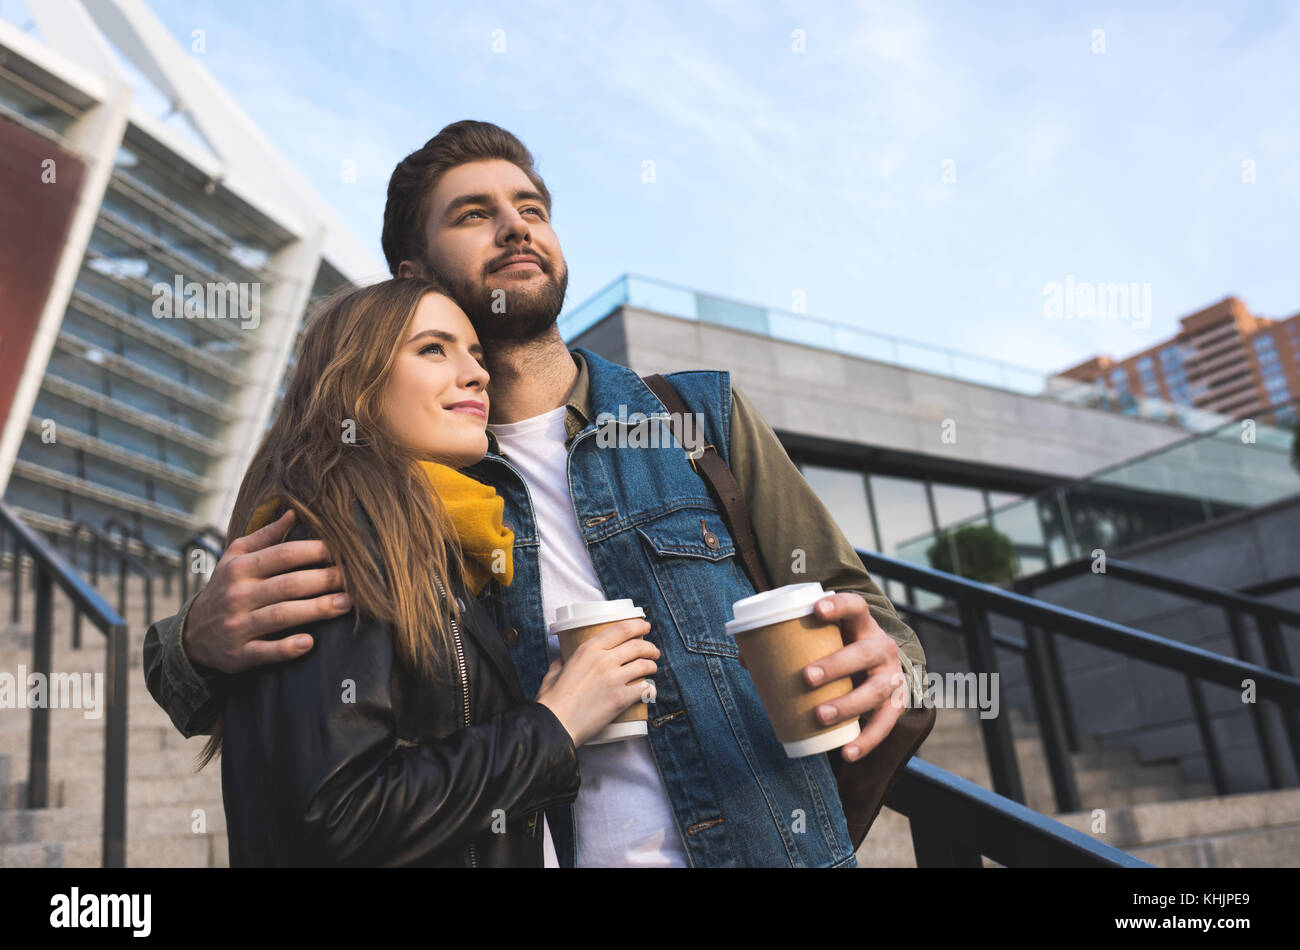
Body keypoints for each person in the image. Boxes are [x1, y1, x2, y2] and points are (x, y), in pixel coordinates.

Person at [145, 120, 927, 868]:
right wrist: (190, 645)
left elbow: (872, 618)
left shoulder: (697, 417)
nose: (516, 228)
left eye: (532, 209)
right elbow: (305, 733)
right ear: (412, 275)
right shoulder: (403, 483)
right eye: (475, 214)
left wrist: (890, 662)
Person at [208, 276, 659, 865]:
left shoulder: (431, 540)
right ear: (354, 381)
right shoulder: (337, 537)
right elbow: (336, 816)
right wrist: (555, 723)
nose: (476, 373)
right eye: (432, 349)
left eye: (475, 354)